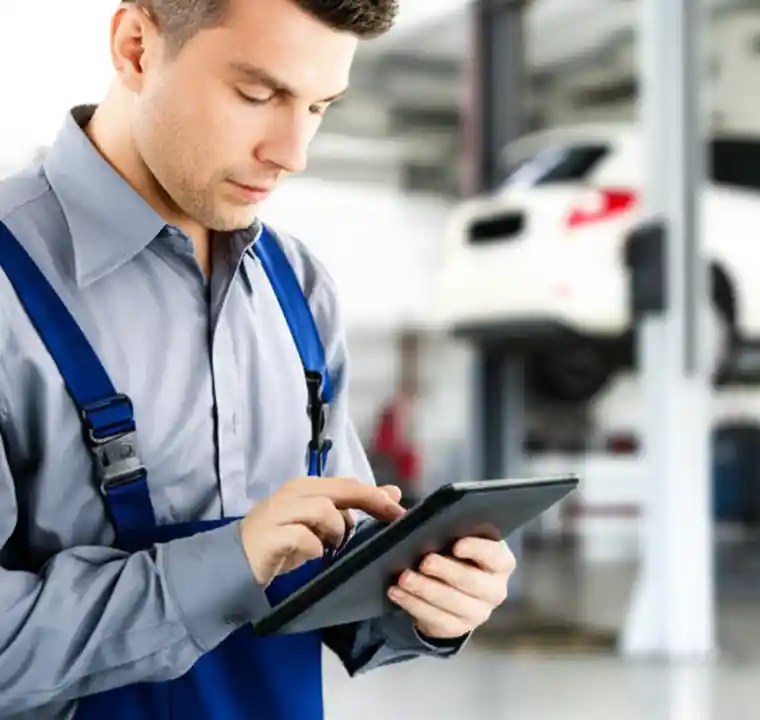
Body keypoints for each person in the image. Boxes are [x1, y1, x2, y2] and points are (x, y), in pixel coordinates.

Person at [0, 1, 515, 718]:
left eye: (319, 106)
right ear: (137, 47)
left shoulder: (297, 287)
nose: (293, 152)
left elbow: (335, 576)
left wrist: (426, 602)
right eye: (257, 95)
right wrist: (230, 564)